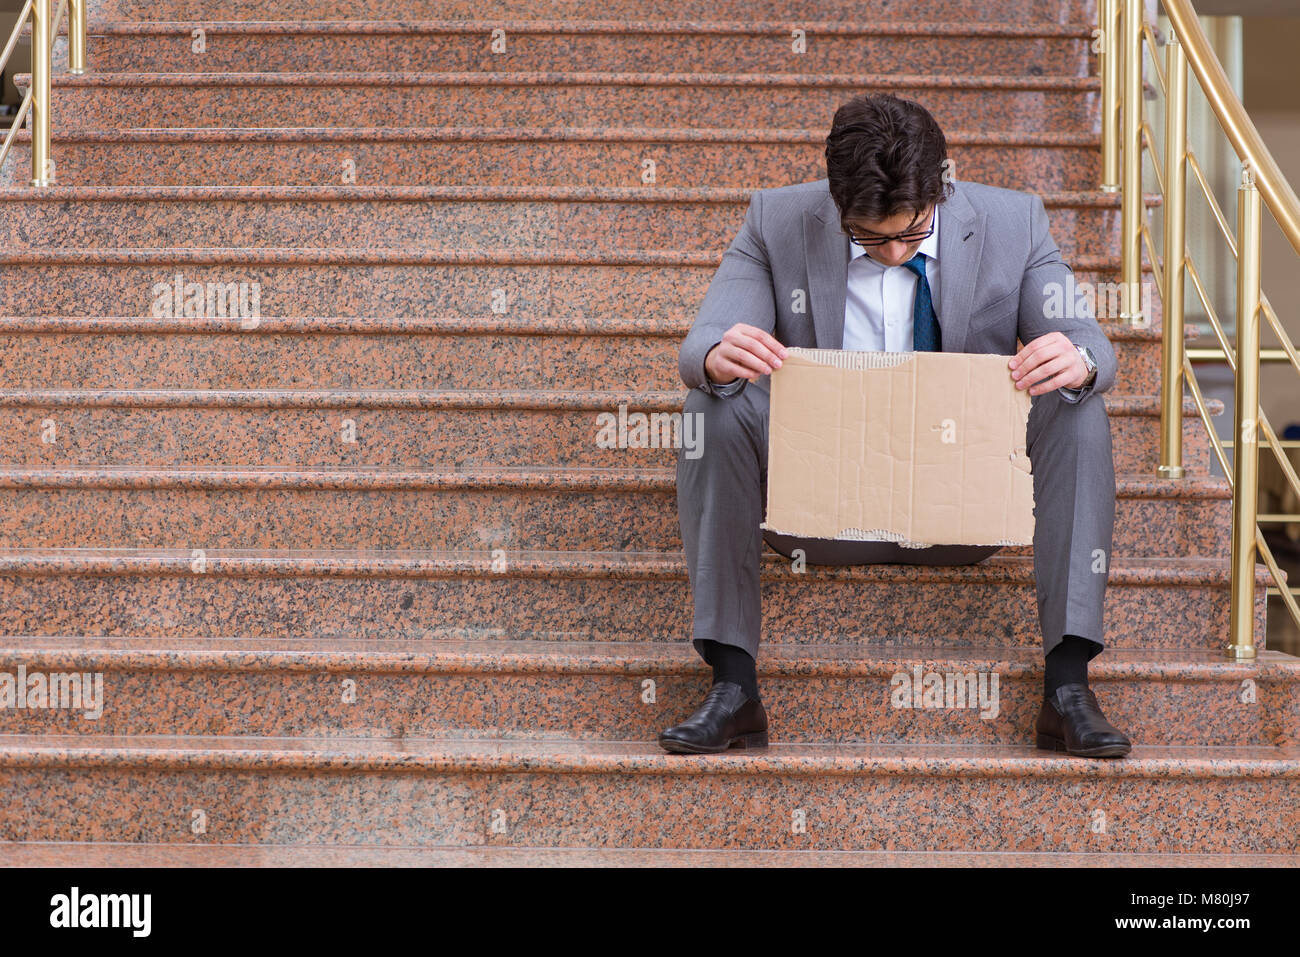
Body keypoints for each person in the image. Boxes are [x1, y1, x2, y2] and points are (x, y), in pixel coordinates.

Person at [659, 92, 1131, 759]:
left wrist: (1078, 358)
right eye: (869, 237)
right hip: (819, 515)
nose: (889, 254)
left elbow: (1095, 343)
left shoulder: (1014, 222)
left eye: (911, 235)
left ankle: (1067, 689)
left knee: (1077, 404)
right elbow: (698, 343)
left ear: (940, 191)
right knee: (714, 401)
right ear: (834, 202)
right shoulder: (777, 219)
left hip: (959, 514)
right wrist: (715, 355)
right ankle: (734, 689)